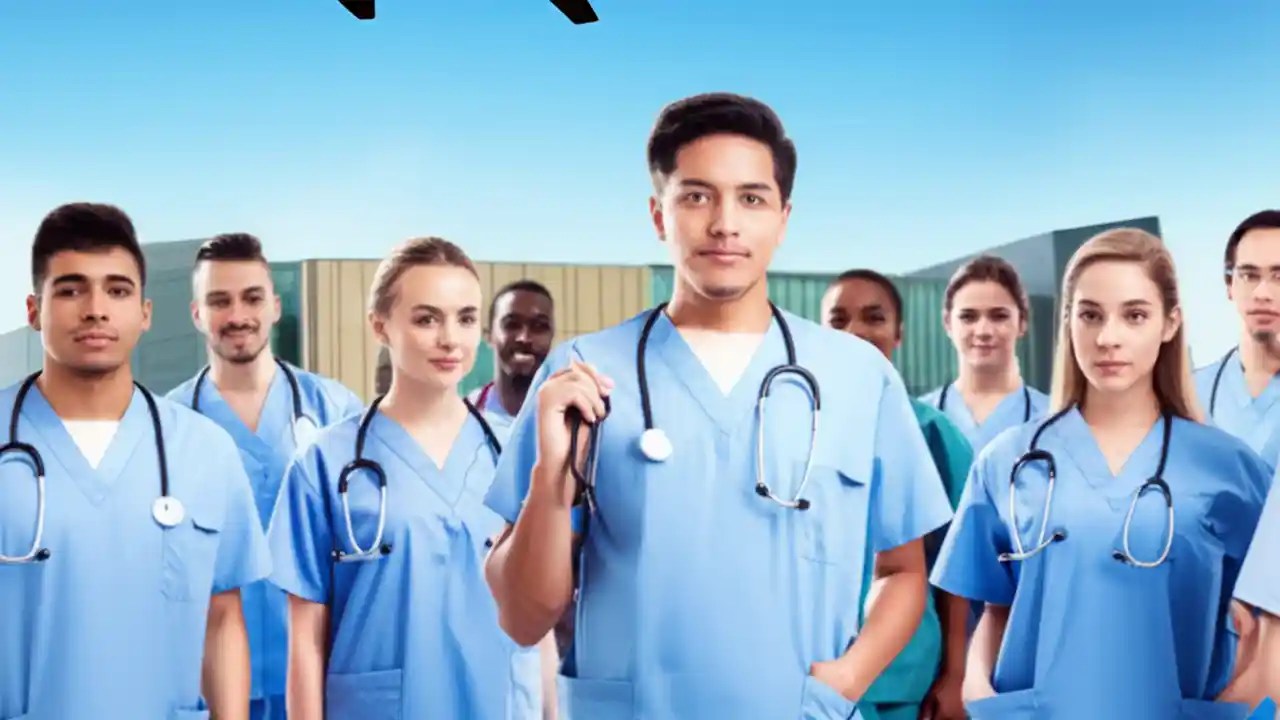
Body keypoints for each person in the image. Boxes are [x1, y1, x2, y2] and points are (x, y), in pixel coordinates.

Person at [484, 92, 954, 719]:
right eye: (697, 196)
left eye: (752, 198)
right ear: (659, 214)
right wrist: (549, 478)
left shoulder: (857, 376)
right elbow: (522, 618)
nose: (725, 222)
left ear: (783, 218)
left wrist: (842, 683)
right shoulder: (584, 372)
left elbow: (902, 572)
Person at [931, 228, 1271, 719]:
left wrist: (1243, 700)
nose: (1108, 338)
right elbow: (996, 608)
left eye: (1134, 315)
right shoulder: (1009, 460)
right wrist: (979, 694)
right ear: (1068, 322)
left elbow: (1268, 613)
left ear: (1170, 323)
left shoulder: (1228, 467)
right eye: (1090, 315)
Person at [0, 202, 270, 719]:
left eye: (118, 290)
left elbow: (222, 619)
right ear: (34, 311)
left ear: (145, 313)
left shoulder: (205, 452)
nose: (96, 309)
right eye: (71, 289)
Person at [265, 236, 547, 719]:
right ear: (380, 326)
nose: (450, 339)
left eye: (465, 318)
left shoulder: (519, 451)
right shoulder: (324, 463)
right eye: (425, 318)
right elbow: (305, 642)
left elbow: (538, 620)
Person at [166, 232, 365, 720]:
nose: (238, 315)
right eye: (219, 301)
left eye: (252, 297)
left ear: (274, 306)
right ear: (197, 314)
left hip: (319, 678)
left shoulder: (334, 411)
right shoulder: (166, 426)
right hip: (209, 684)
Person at [822, 269, 974, 720]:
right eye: (839, 320)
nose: (856, 332)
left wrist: (957, 673)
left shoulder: (931, 432)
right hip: (816, 667)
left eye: (874, 317)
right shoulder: (795, 425)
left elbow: (957, 566)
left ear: (898, 332)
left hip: (903, 678)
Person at [919, 255, 1050, 455]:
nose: (983, 331)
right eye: (968, 317)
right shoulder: (917, 420)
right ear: (947, 323)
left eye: (999, 316)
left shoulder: (1055, 419)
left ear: (1022, 322)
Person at [1195, 210, 1280, 470]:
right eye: (1249, 275)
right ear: (1229, 285)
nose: (1262, 292)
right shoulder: (1188, 393)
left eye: (1279, 277)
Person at [468, 279, 555, 425]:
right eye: (512, 325)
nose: (524, 338)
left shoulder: (574, 422)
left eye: (539, 326)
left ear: (552, 335)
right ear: (489, 336)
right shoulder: (459, 421)